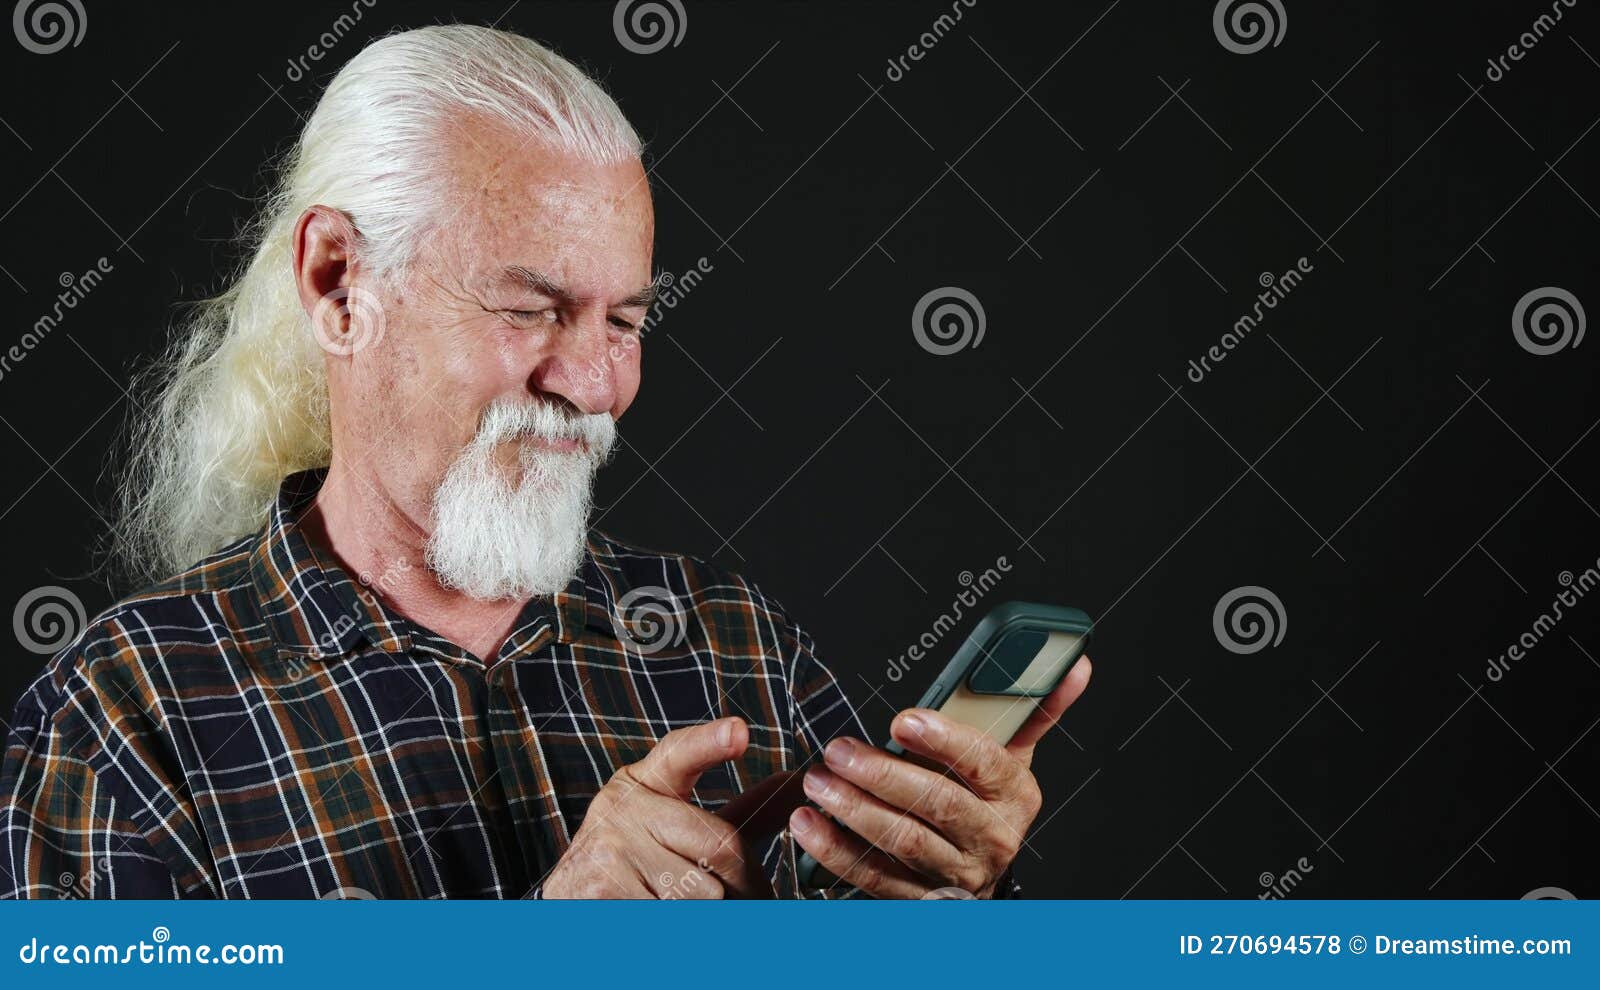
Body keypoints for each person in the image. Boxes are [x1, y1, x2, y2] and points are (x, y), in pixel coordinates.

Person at [0, 24, 1090, 899]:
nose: (595, 382)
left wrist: (941, 906)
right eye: (530, 307)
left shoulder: (732, 646)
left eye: (624, 319)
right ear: (337, 282)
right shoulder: (124, 721)